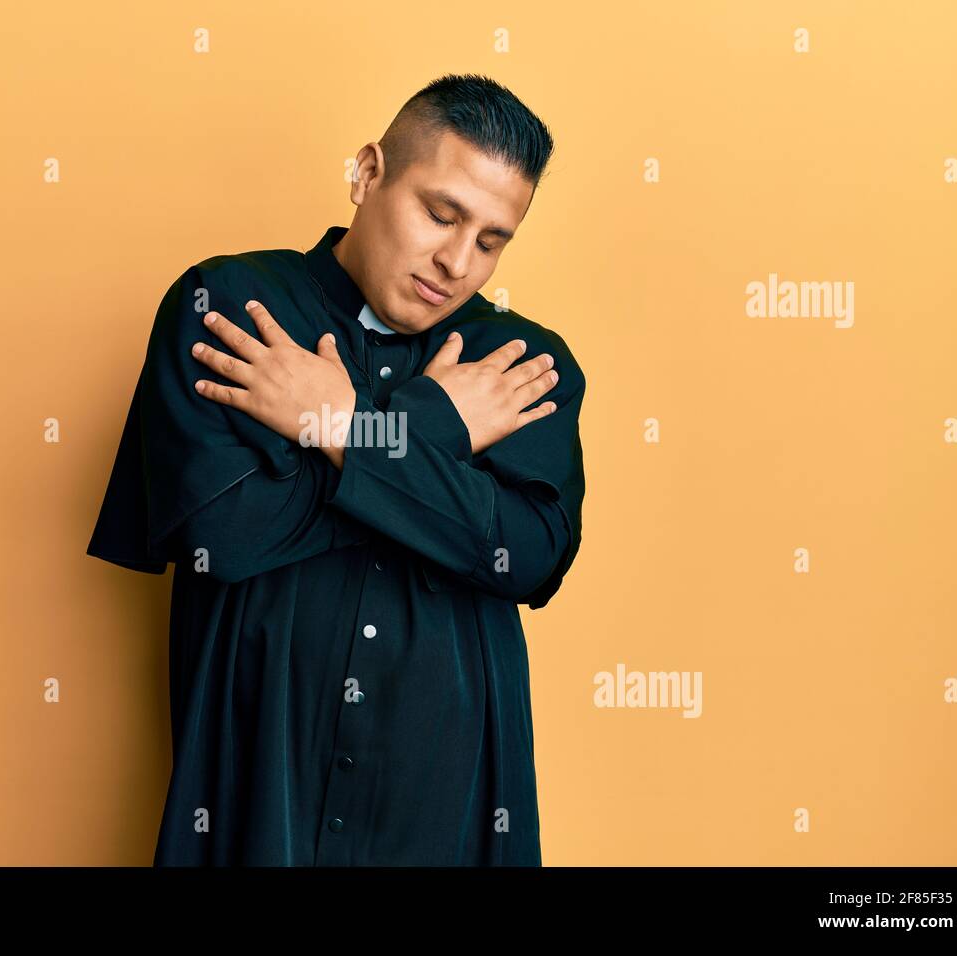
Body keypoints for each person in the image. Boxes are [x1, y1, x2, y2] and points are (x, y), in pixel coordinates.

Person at [86, 73, 586, 865]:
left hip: (449, 795)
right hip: (256, 780)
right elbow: (224, 528)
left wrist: (339, 425)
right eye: (441, 213)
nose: (457, 261)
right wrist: (430, 433)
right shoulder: (229, 305)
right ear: (367, 173)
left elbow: (526, 555)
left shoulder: (520, 366)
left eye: (492, 240)